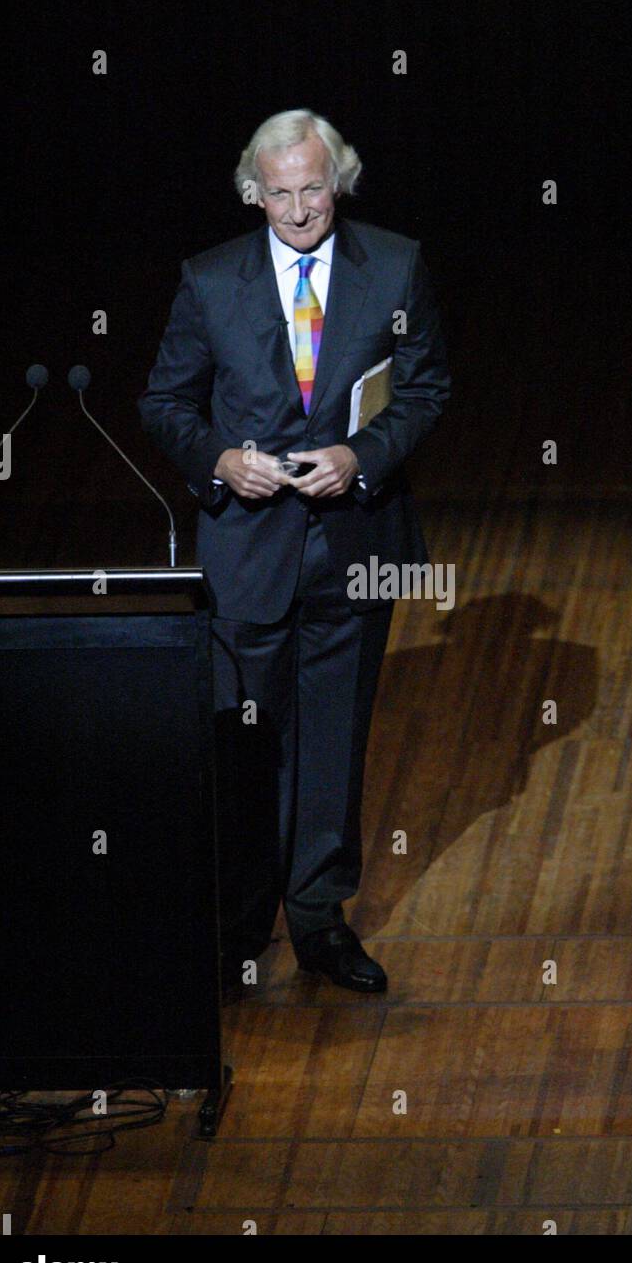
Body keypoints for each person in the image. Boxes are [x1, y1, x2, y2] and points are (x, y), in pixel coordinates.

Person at [139, 108, 450, 993]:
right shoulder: (208, 282)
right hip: (246, 554)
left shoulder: (394, 265)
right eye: (280, 192)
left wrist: (360, 457)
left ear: (337, 181)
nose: (300, 208)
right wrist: (219, 462)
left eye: (314, 187)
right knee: (245, 748)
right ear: (253, 193)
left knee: (332, 746)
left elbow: (425, 390)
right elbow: (165, 403)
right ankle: (237, 924)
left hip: (355, 546)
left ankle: (318, 921)